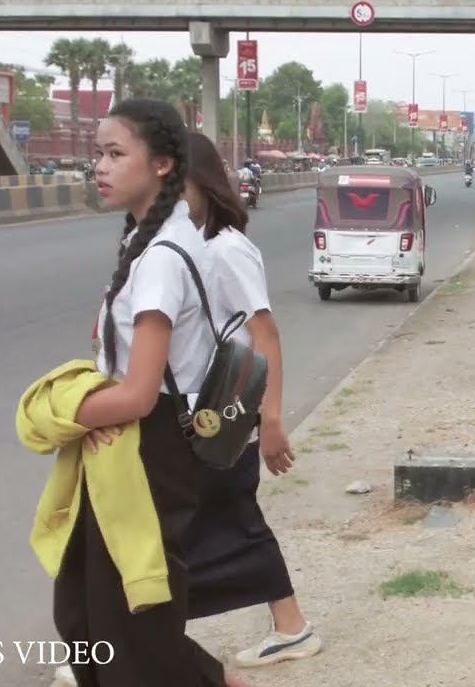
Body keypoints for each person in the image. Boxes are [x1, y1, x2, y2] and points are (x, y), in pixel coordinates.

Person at [53, 98, 252, 687]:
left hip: (148, 446)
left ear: (163, 164)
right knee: (92, 611)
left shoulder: (163, 255)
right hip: (139, 445)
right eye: (98, 155)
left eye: (116, 154)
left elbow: (139, 393)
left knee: (123, 622)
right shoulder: (158, 239)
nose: (101, 167)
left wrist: (61, 412)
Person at [179, 132, 324, 667]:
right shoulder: (195, 246)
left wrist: (270, 422)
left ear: (200, 182)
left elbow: (265, 334)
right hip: (207, 411)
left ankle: (122, 644)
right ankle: (291, 626)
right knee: (227, 517)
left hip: (225, 410)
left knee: (209, 516)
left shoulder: (225, 250)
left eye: (176, 184)